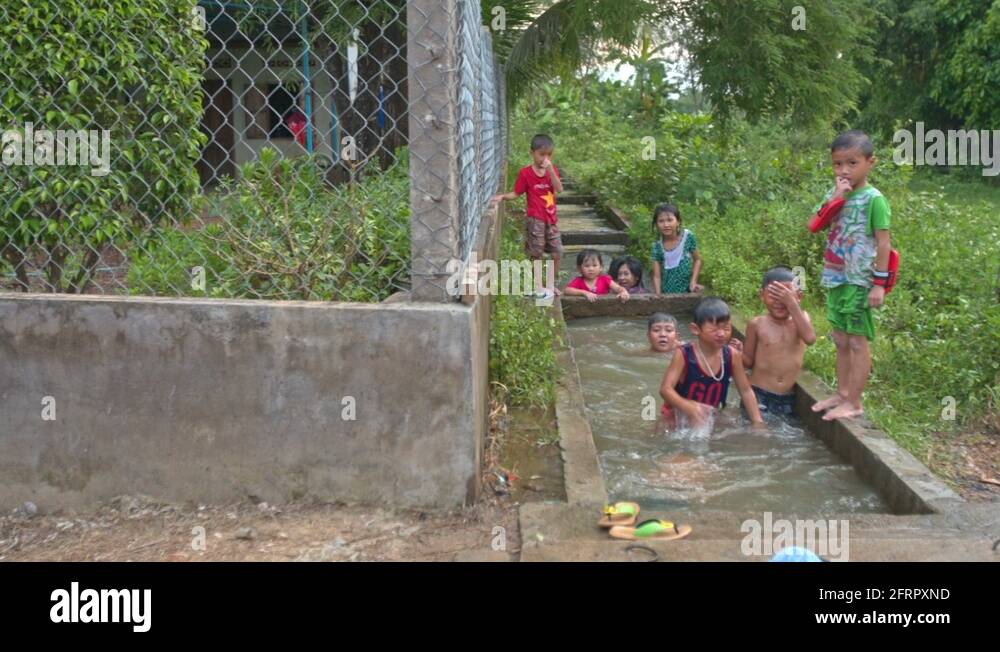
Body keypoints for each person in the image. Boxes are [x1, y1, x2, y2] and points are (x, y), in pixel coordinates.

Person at [809, 130, 893, 421]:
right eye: (837, 164)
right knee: (840, 339)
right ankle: (842, 393)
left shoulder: (874, 200)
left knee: (858, 341)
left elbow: (884, 243)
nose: (844, 170)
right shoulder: (836, 194)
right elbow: (815, 225)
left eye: (852, 163)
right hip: (836, 278)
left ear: (871, 162)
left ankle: (855, 402)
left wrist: (878, 285)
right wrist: (836, 197)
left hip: (860, 280)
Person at [659, 297, 763, 427]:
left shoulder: (732, 355)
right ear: (695, 329)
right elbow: (665, 389)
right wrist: (689, 407)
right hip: (678, 413)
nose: (721, 334)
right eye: (714, 329)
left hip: (712, 414)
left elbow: (746, 391)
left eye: (726, 328)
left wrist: (758, 422)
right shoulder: (684, 354)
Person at [738, 266, 817, 417]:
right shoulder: (757, 324)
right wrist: (737, 352)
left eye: (785, 296)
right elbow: (748, 362)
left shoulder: (801, 319)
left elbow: (810, 339)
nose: (780, 302)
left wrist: (792, 304)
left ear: (799, 297)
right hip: (758, 394)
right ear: (762, 295)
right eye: (773, 295)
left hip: (787, 398)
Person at [491, 134, 564, 298]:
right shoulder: (526, 173)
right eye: (541, 154)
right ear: (532, 153)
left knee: (557, 252)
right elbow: (517, 193)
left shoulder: (552, 171)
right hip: (535, 220)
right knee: (536, 253)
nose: (545, 158)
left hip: (551, 220)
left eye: (548, 155)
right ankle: (539, 286)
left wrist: (551, 170)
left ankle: (551, 285)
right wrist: (503, 196)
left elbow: (559, 189)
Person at [651, 203, 703, 295]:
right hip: (667, 293)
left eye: (670, 220)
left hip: (688, 291)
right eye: (661, 221)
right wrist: (658, 295)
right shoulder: (657, 246)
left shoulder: (688, 237)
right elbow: (657, 276)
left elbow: (698, 259)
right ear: (656, 224)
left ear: (678, 221)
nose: (666, 225)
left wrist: (693, 281)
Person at [563, 249, 630, 302]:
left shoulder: (605, 279)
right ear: (579, 268)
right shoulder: (579, 281)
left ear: (601, 267)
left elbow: (618, 288)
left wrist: (623, 292)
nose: (591, 269)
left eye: (594, 265)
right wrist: (584, 293)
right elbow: (567, 290)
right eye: (587, 266)